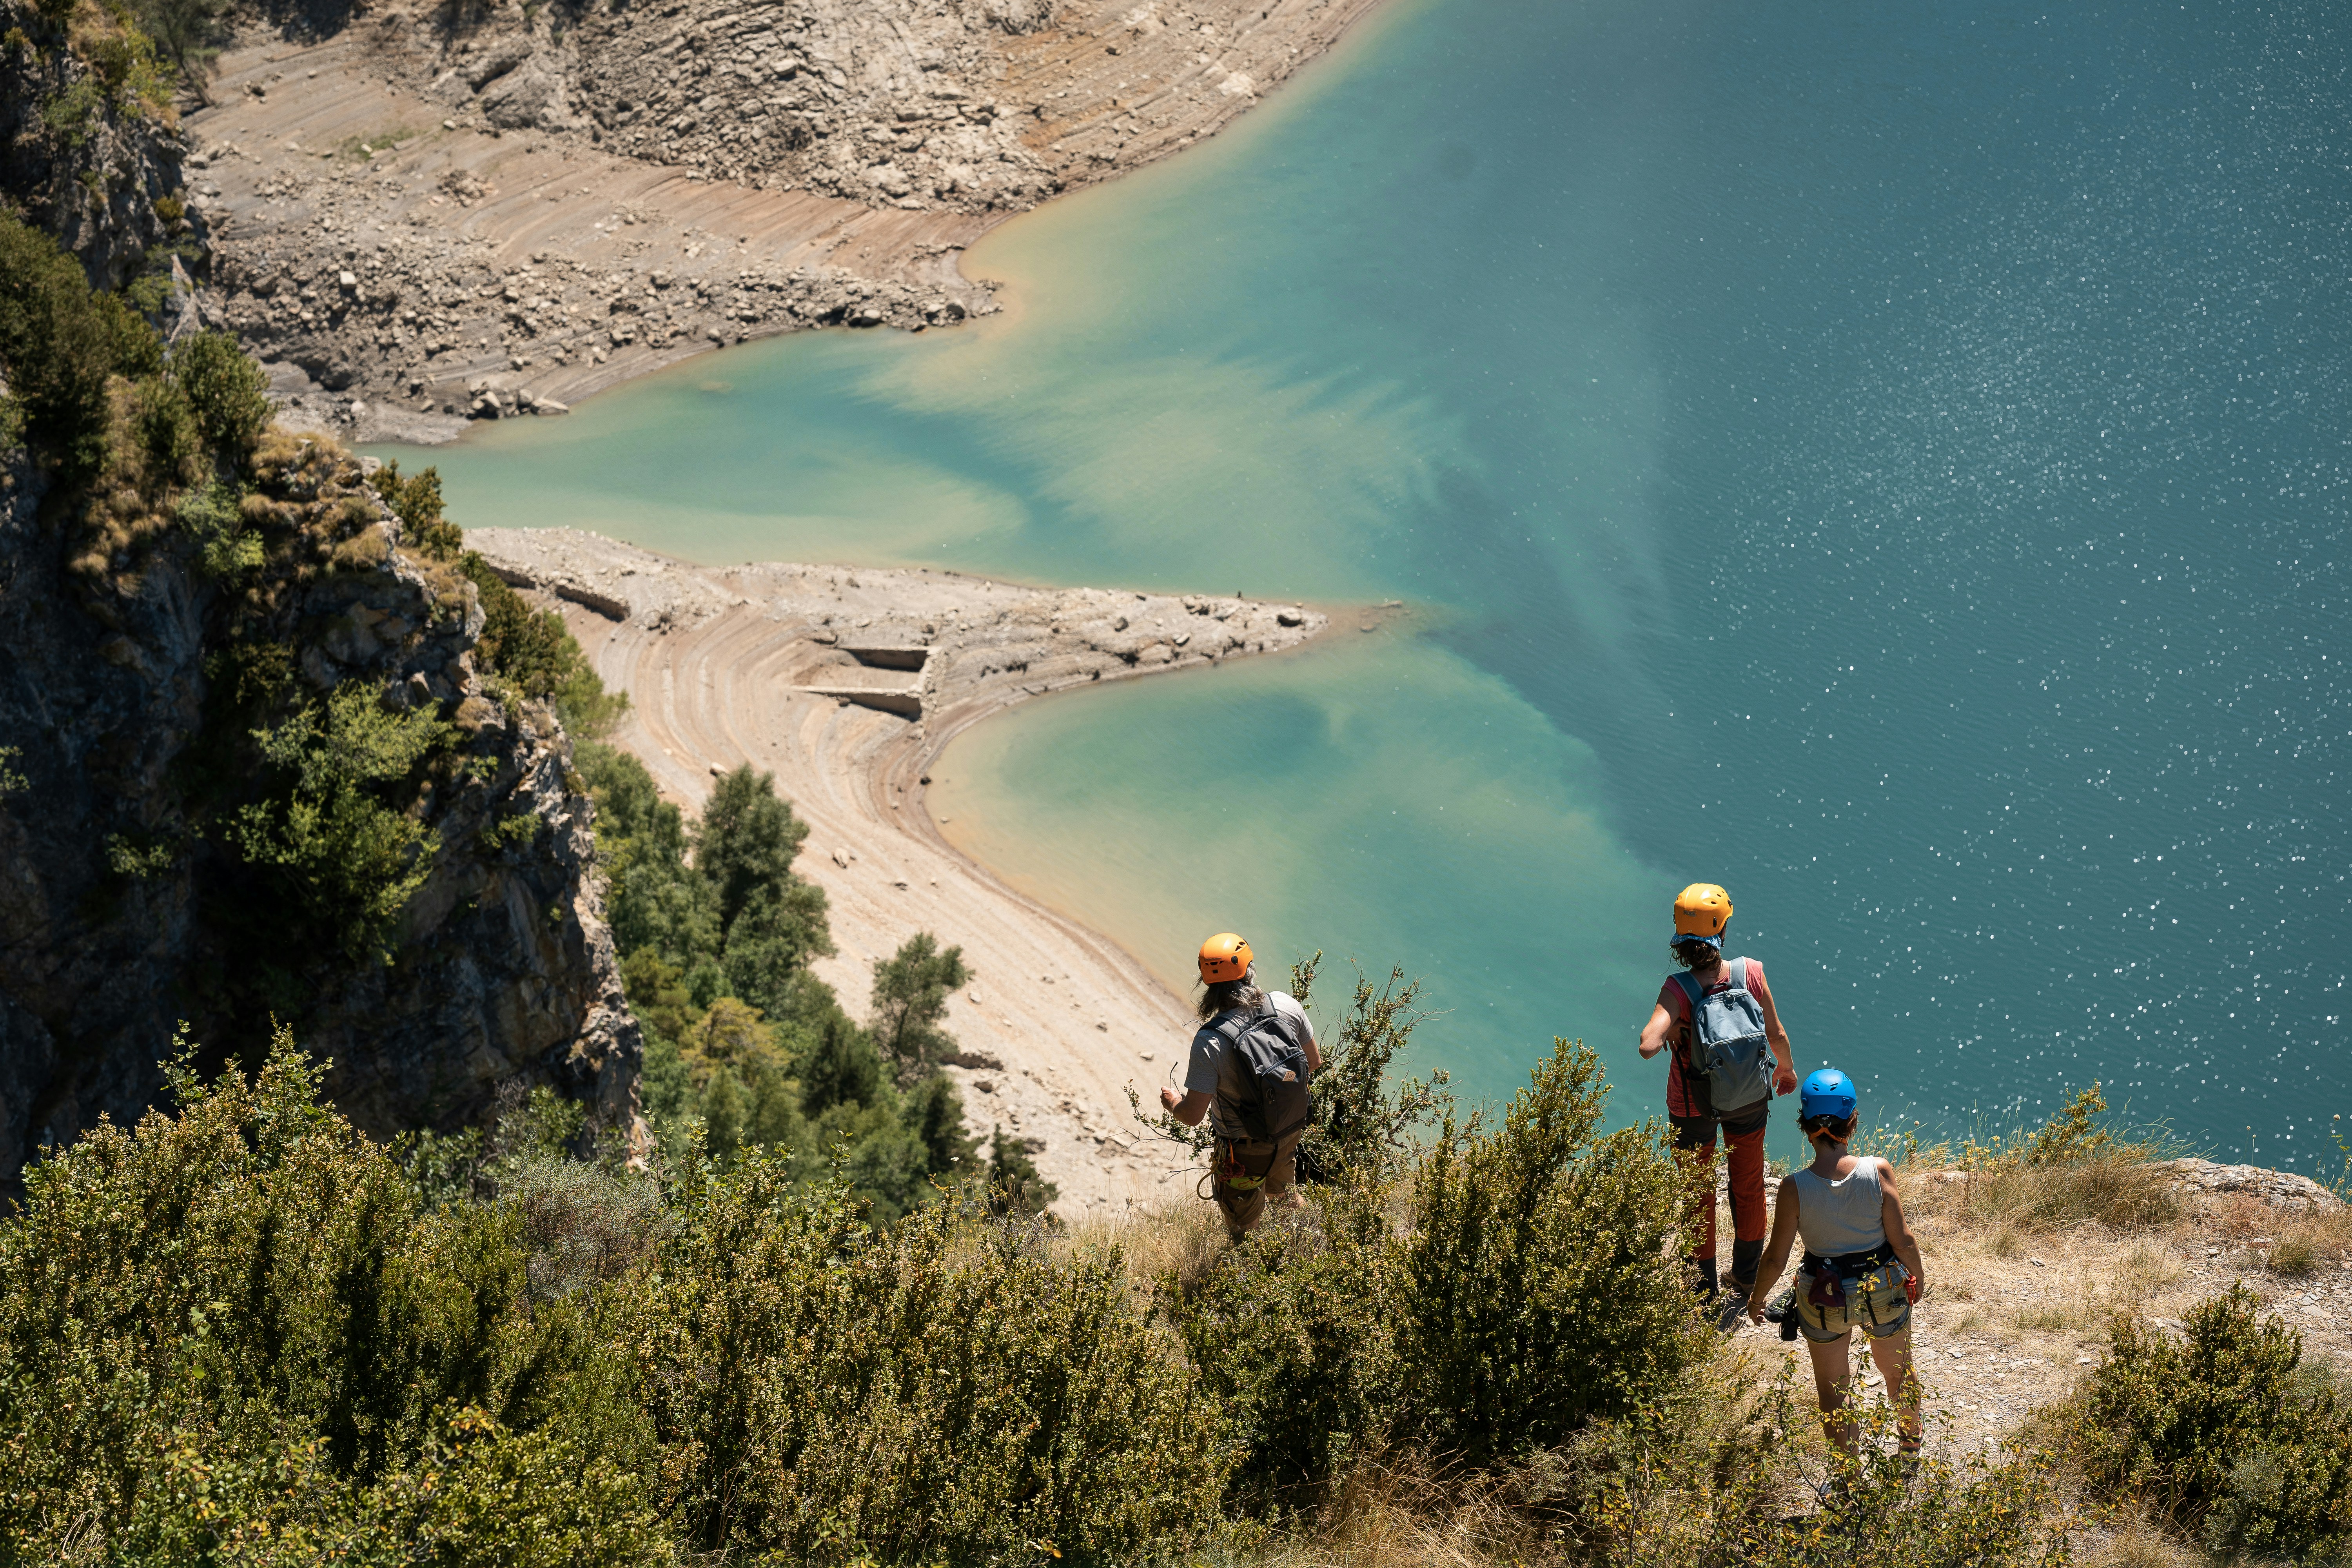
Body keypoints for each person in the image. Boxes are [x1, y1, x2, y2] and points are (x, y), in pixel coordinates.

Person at [1747, 1069, 1928, 1462]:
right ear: (1853, 1120)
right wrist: (1918, 1275)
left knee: (1833, 1389)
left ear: (1806, 1126)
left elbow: (1776, 1257)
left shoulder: (1795, 1187)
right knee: (1898, 1372)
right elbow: (1903, 1240)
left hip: (1823, 1294)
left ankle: (1848, 1479)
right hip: (1882, 1285)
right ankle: (1910, 1450)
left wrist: (1757, 1298)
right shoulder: (1878, 1171)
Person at [1636, 882, 1798, 1300]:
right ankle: (1746, 1276)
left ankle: (1701, 1293)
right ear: (1722, 930)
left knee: (1697, 1193)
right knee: (1748, 1183)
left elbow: (1647, 1046)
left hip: (1692, 1107)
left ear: (1681, 940)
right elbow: (1776, 1033)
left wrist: (1672, 1024)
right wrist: (1786, 1070)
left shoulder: (1678, 989)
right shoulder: (1752, 974)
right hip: (1747, 1097)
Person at [1160, 932, 1323, 1240]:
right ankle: (1314, 1245)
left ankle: (1250, 1276)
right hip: (1289, 1130)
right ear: (1250, 971)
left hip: (1242, 1153)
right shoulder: (1285, 1005)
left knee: (1243, 1227)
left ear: (1207, 983)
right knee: (1286, 1196)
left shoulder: (1211, 1040)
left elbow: (1193, 1116)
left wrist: (1173, 1103)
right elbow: (1313, 1062)